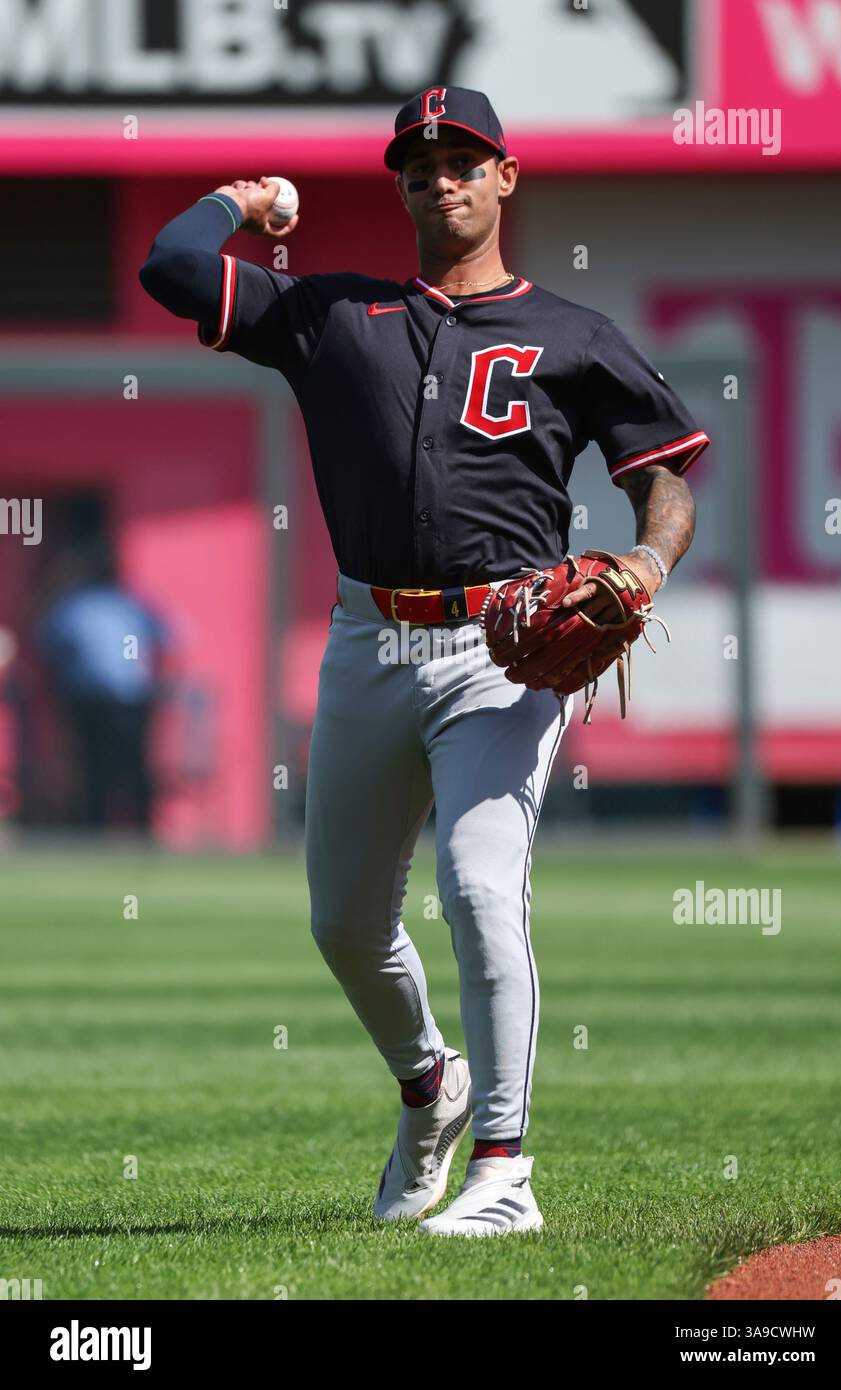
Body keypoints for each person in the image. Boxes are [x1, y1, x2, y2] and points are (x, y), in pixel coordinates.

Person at [139, 86, 708, 1237]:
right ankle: (429, 1085)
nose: (439, 177)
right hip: (367, 638)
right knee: (343, 919)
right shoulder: (330, 314)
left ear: (506, 176)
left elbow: (663, 478)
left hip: (502, 646)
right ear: (399, 185)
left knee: (478, 884)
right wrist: (237, 201)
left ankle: (505, 1170)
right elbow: (169, 265)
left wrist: (645, 565)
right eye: (418, 164)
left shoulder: (575, 333)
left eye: (463, 160)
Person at [35, 544, 168, 831]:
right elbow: (169, 637)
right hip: (133, 697)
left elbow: (48, 642)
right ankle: (143, 828)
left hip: (91, 698)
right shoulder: (133, 603)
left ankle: (95, 828)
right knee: (133, 762)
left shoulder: (74, 605)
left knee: (92, 764)